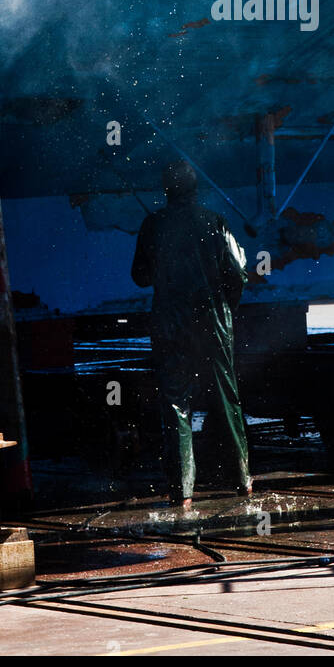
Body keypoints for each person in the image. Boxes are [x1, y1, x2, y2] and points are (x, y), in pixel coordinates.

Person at [131, 158, 252, 508]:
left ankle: (181, 491)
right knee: (227, 399)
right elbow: (239, 274)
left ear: (166, 191)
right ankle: (242, 479)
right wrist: (226, 310)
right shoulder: (215, 222)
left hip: (170, 322)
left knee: (175, 404)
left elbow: (140, 276)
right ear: (196, 189)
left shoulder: (153, 225)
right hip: (213, 320)